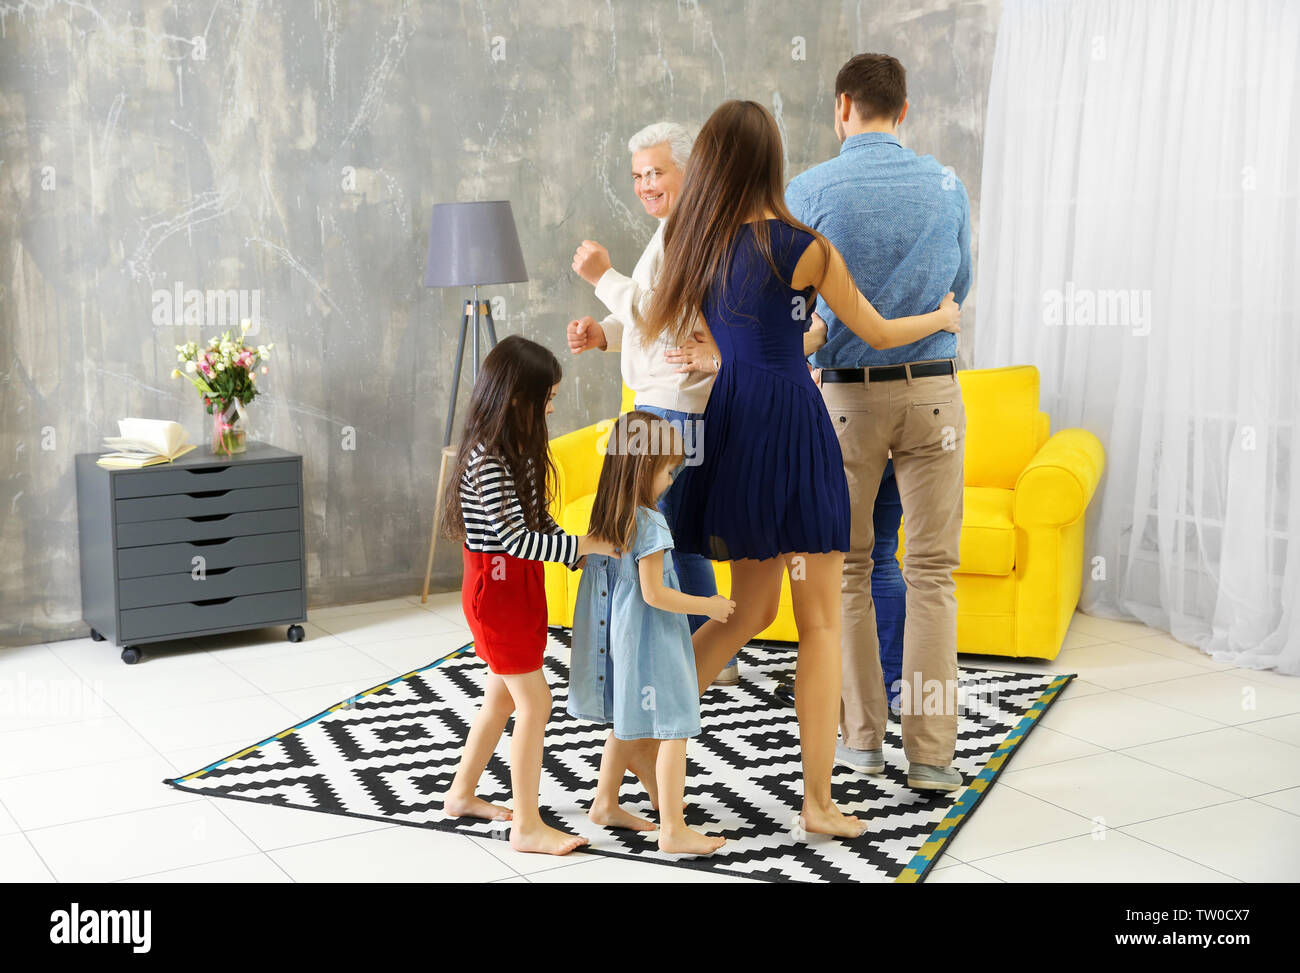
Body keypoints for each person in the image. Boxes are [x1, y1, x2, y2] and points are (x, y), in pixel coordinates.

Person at [643, 99, 959, 837]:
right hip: (793, 426)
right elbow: (875, 330)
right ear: (772, 161)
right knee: (816, 622)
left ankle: (635, 737)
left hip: (730, 429)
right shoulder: (804, 247)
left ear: (714, 165)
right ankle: (817, 805)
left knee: (747, 611)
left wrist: (734, 352)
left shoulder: (696, 245)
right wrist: (941, 321)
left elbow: (707, 338)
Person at [786, 53, 972, 791]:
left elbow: (798, 300)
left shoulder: (810, 187)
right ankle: (931, 757)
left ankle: (862, 742)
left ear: (843, 107)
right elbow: (962, 284)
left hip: (844, 402)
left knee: (852, 569)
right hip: (933, 393)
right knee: (932, 575)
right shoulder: (947, 185)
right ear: (904, 111)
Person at [439, 335, 617, 856]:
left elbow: (538, 522)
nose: (552, 408)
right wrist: (581, 544)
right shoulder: (486, 460)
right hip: (496, 591)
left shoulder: (521, 451)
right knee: (534, 701)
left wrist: (576, 550)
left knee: (501, 697)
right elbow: (514, 539)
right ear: (517, 398)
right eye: (548, 399)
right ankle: (527, 826)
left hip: (520, 588)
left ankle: (461, 794)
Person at [572, 411, 735, 853]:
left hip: (622, 640)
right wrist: (710, 607)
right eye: (667, 471)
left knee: (627, 724)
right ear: (644, 469)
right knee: (674, 728)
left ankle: (605, 803)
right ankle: (674, 830)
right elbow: (655, 593)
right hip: (653, 642)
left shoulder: (608, 514)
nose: (670, 480)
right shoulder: (651, 522)